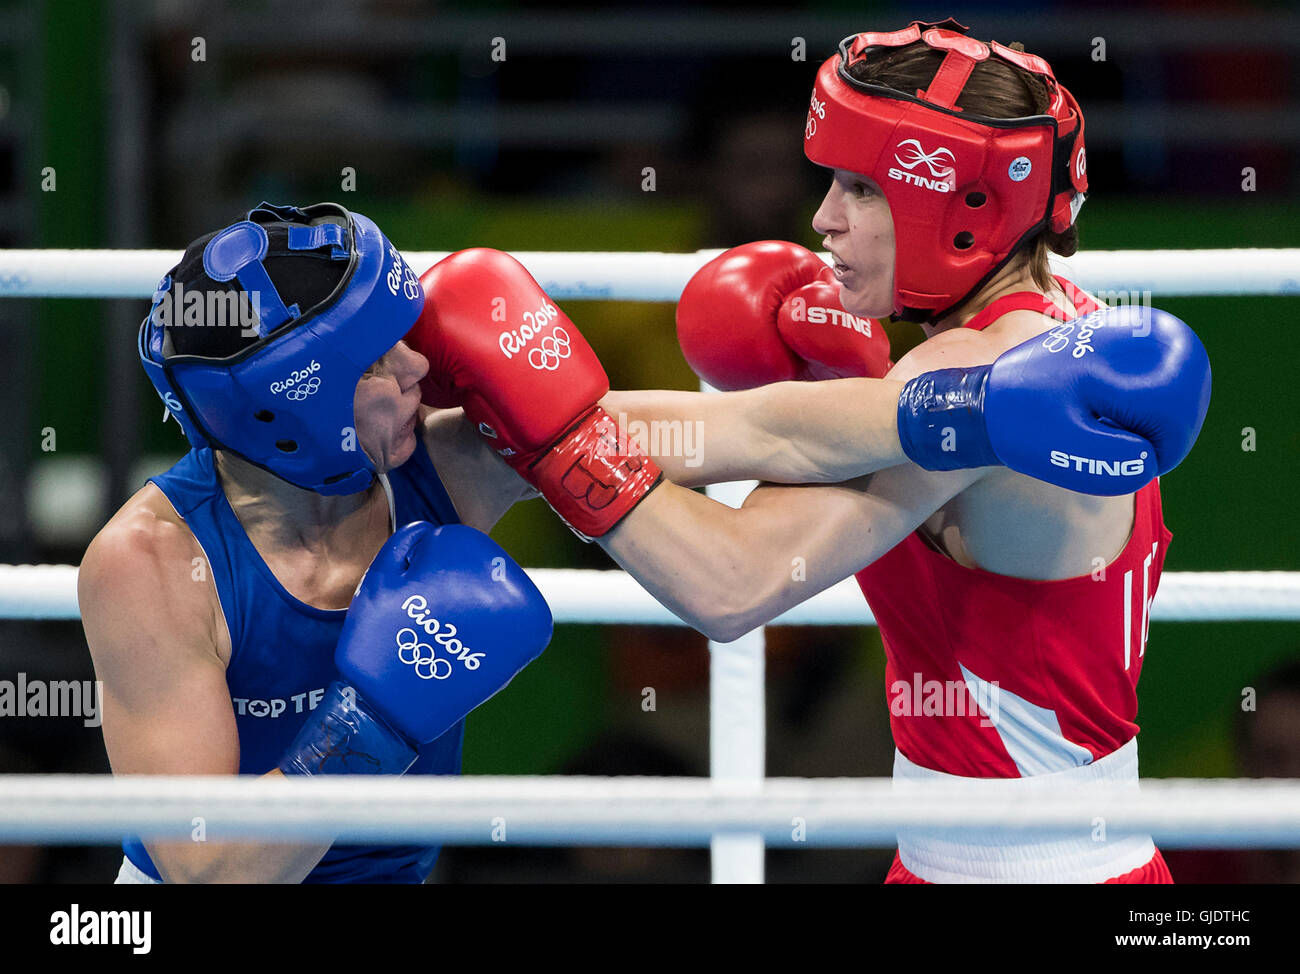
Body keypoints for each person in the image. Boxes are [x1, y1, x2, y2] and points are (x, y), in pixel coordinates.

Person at [404, 20, 1212, 883]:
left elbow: (732, 580)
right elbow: (758, 431)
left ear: (963, 209)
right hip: (999, 860)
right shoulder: (1045, 333)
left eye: (861, 189)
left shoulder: (979, 374)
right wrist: (502, 426)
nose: (823, 218)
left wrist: (545, 431)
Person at [78, 202, 551, 884]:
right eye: (373, 364)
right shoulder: (150, 562)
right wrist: (369, 724)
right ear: (293, 411)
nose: (420, 365)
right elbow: (207, 869)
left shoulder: (441, 462)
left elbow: (727, 435)